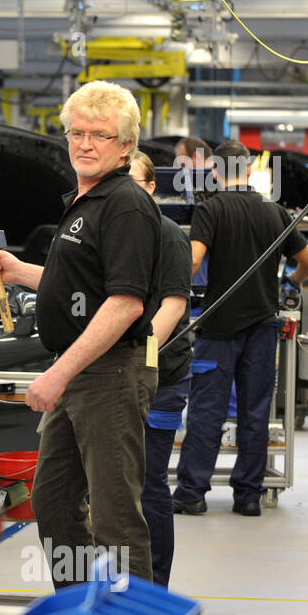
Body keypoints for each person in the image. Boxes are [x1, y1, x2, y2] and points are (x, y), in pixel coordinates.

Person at [0, 81, 161, 586]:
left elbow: (124, 303)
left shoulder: (123, 203)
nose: (84, 143)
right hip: (82, 372)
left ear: (125, 145)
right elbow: (81, 287)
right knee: (54, 501)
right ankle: (82, 599)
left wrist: (58, 374)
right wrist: (20, 271)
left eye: (100, 135)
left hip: (108, 374)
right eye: (76, 132)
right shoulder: (87, 200)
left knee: (115, 517)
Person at [173, 141, 308, 516]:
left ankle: (192, 494)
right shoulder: (274, 212)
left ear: (216, 170)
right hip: (262, 327)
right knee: (255, 413)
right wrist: (290, 281)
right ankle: (249, 497)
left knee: (208, 411)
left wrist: (170, 296)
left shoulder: (211, 209)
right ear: (250, 168)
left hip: (219, 328)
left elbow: (192, 262)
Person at [130, 152, 192, 587]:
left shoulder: (169, 237)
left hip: (161, 377)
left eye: (133, 181)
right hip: (116, 379)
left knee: (150, 483)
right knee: (115, 487)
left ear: (152, 188)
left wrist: (141, 353)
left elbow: (173, 305)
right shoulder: (112, 235)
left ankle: (154, 585)